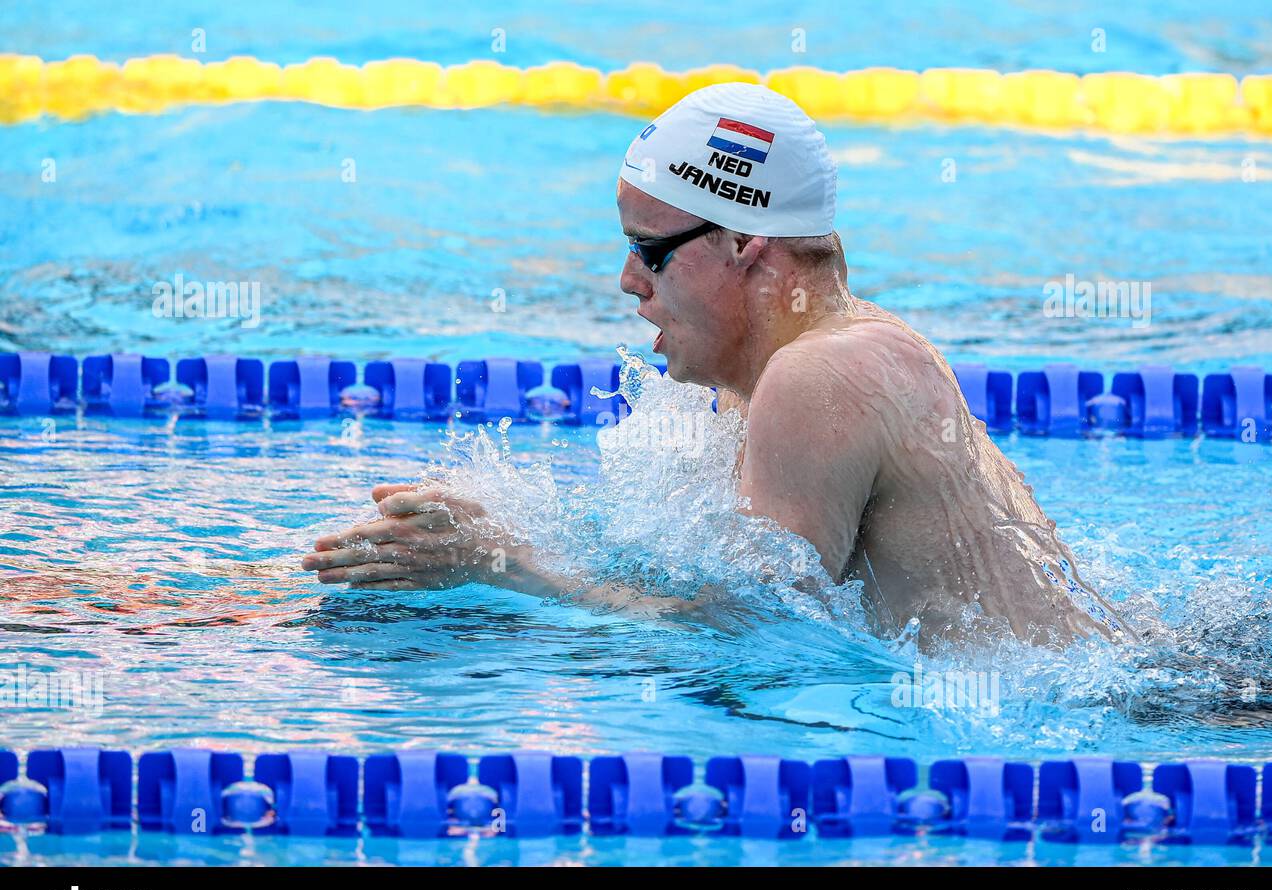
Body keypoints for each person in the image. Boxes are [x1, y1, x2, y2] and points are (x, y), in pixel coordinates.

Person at [303, 83, 1124, 645]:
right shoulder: (777, 366)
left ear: (744, 246)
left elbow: (762, 640)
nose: (628, 282)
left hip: (1118, 721)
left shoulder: (822, 376)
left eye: (650, 253)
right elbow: (704, 584)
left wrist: (508, 568)